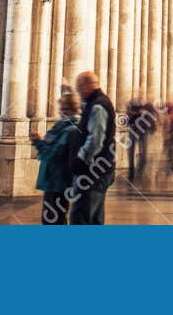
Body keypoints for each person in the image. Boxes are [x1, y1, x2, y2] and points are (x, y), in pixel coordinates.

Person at [70, 71, 116, 225]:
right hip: (99, 170)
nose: (78, 93)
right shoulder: (96, 102)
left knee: (82, 216)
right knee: (94, 217)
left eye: (79, 89)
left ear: (87, 86)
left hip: (93, 171)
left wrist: (81, 158)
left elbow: (96, 139)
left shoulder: (98, 106)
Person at [33, 90, 83, 224]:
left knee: (52, 219)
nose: (60, 112)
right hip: (57, 182)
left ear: (67, 109)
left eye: (62, 108)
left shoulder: (69, 129)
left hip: (57, 182)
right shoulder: (65, 127)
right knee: (56, 217)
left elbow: (53, 155)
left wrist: (38, 142)